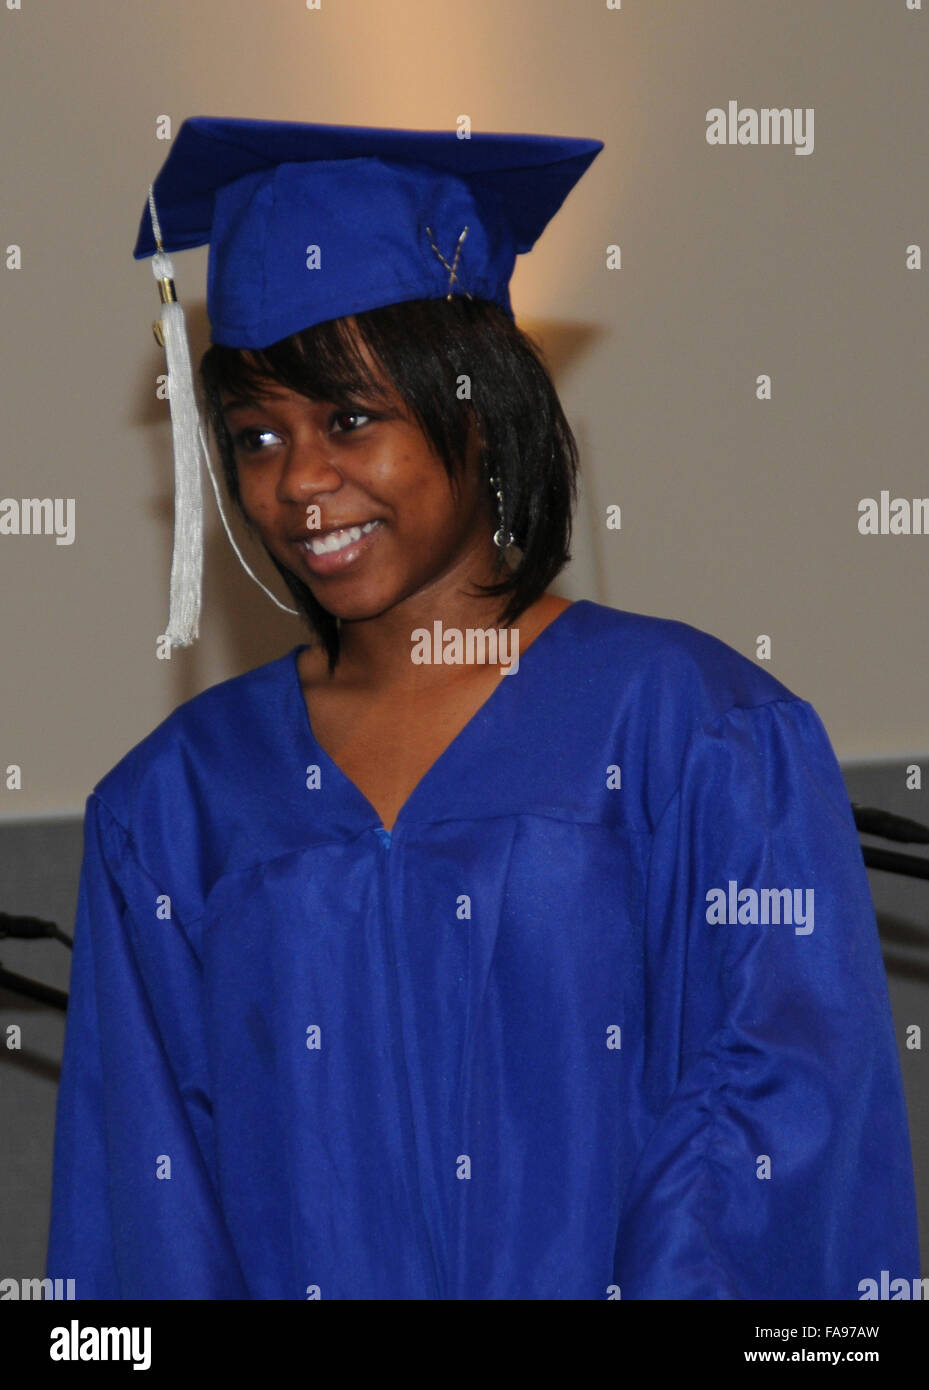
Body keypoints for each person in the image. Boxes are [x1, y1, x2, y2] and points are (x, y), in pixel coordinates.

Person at [46, 116, 919, 1300]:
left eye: (349, 417)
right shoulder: (173, 806)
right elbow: (144, 1222)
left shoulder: (698, 734)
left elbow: (776, 1138)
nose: (298, 480)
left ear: (481, 408)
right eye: (256, 436)